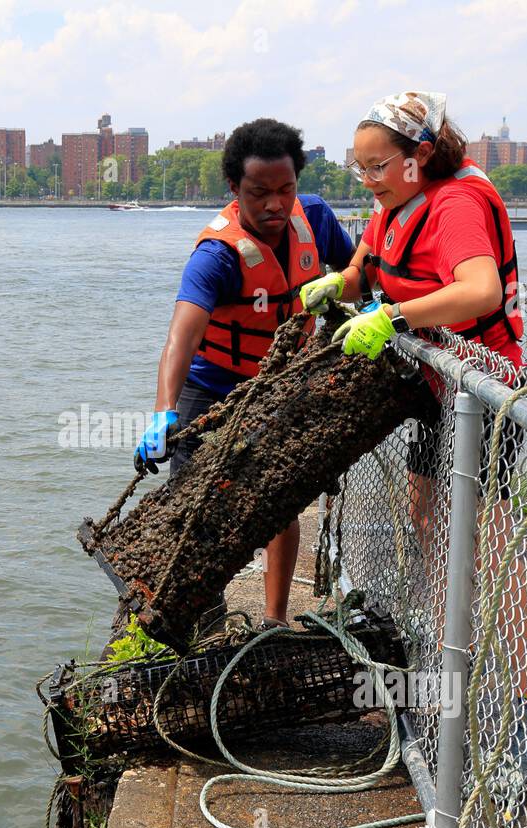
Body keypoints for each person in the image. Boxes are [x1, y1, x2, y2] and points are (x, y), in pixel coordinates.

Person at [298, 91, 527, 786]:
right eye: (358, 168)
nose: (368, 181)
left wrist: (393, 316)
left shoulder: (455, 204)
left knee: (493, 551)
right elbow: (371, 251)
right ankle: (455, 661)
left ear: (421, 155)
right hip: (434, 393)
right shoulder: (402, 196)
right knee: (431, 524)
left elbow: (478, 290)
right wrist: (347, 280)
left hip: (480, 392)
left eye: (378, 166)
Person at [132, 117, 354, 632]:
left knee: (281, 498)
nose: (275, 204)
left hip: (280, 384)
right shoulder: (215, 255)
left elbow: (361, 271)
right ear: (235, 189)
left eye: (285, 189)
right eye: (259, 193)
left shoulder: (316, 219)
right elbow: (180, 339)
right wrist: (164, 413)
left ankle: (273, 622)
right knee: (195, 518)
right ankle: (203, 630)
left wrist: (381, 307)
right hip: (210, 392)